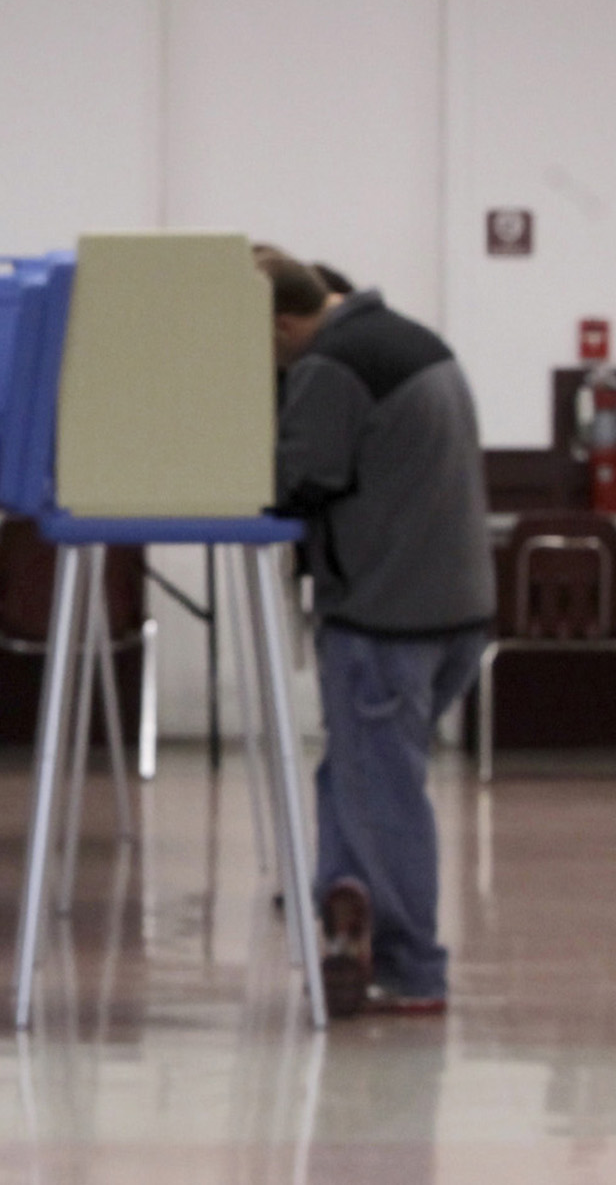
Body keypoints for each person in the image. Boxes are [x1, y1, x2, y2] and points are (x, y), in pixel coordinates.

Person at [259, 246, 494, 1017]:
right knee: (355, 773)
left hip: (384, 618)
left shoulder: (332, 365)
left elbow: (294, 480)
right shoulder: (413, 340)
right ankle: (345, 897)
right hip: (457, 610)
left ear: (283, 325)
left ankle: (411, 967)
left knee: (384, 794)